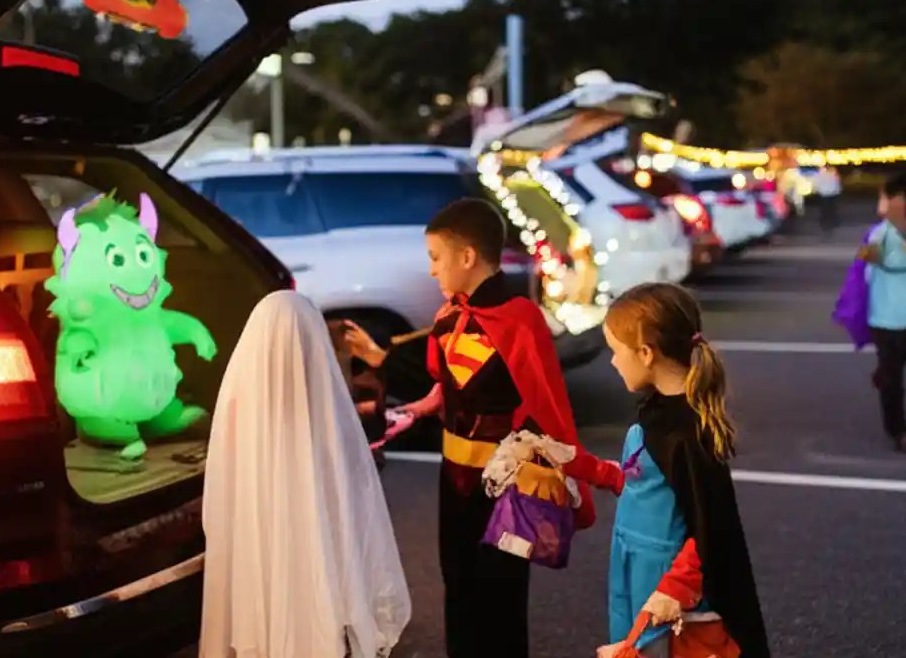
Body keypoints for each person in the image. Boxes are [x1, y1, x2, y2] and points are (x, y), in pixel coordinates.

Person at [393, 197, 624, 658]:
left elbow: (545, 403)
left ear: (467, 257)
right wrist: (425, 401)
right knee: (457, 585)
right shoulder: (448, 321)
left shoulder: (520, 318)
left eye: (436, 259)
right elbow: (449, 385)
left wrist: (582, 469)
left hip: (505, 489)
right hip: (453, 481)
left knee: (500, 596)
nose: (433, 271)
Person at [200, 291, 411, 658]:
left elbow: (225, 483)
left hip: (260, 540)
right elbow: (353, 492)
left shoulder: (238, 404)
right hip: (320, 550)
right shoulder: (327, 409)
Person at [599, 283, 769, 658]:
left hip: (663, 579)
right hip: (638, 564)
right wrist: (573, 464)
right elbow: (640, 479)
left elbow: (711, 527)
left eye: (616, 352)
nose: (612, 362)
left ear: (645, 354)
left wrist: (675, 586)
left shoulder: (685, 433)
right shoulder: (658, 414)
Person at [832, 172, 906, 455]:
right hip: (882, 312)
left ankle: (883, 375)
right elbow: (862, 266)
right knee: (894, 375)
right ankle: (899, 431)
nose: (885, 202)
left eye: (889, 197)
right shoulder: (879, 233)